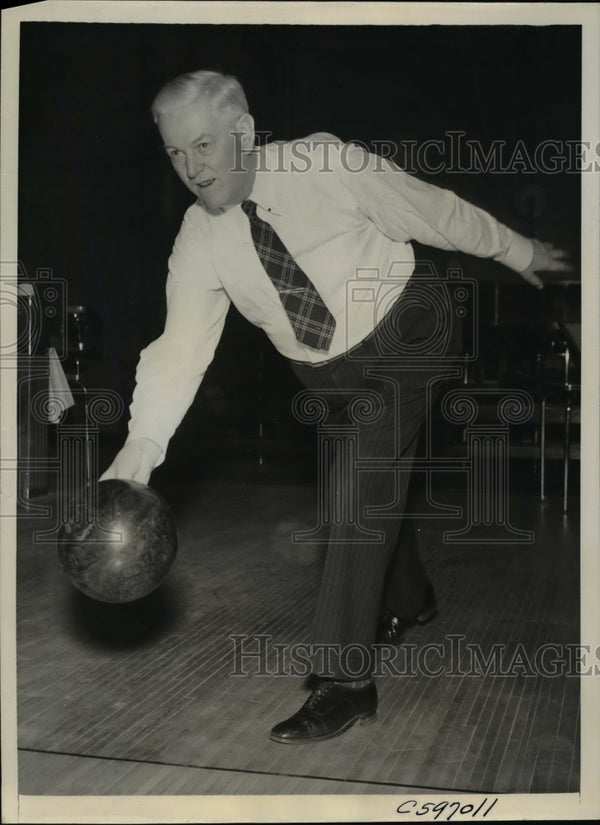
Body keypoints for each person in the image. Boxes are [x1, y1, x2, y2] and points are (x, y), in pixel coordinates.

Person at [100, 69, 571, 743]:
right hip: (324, 371)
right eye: (175, 153)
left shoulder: (323, 164)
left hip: (410, 322)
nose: (191, 168)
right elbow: (180, 348)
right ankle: (411, 597)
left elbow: (434, 210)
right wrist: (141, 446)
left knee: (357, 484)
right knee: (371, 484)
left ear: (243, 131)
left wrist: (520, 252)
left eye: (203, 145)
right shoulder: (199, 238)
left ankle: (346, 681)